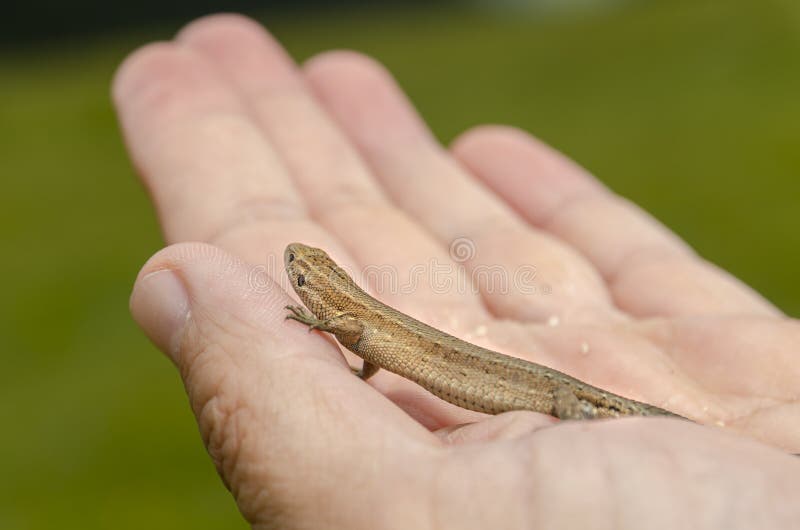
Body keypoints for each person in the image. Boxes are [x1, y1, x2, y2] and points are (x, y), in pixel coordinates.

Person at [115, 14, 800, 528]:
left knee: (579, 410)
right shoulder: (361, 326)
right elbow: (369, 347)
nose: (294, 270)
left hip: (551, 394)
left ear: (316, 288)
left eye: (301, 274)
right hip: (532, 389)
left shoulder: (346, 315)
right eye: (299, 271)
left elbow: (355, 327)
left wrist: (315, 321)